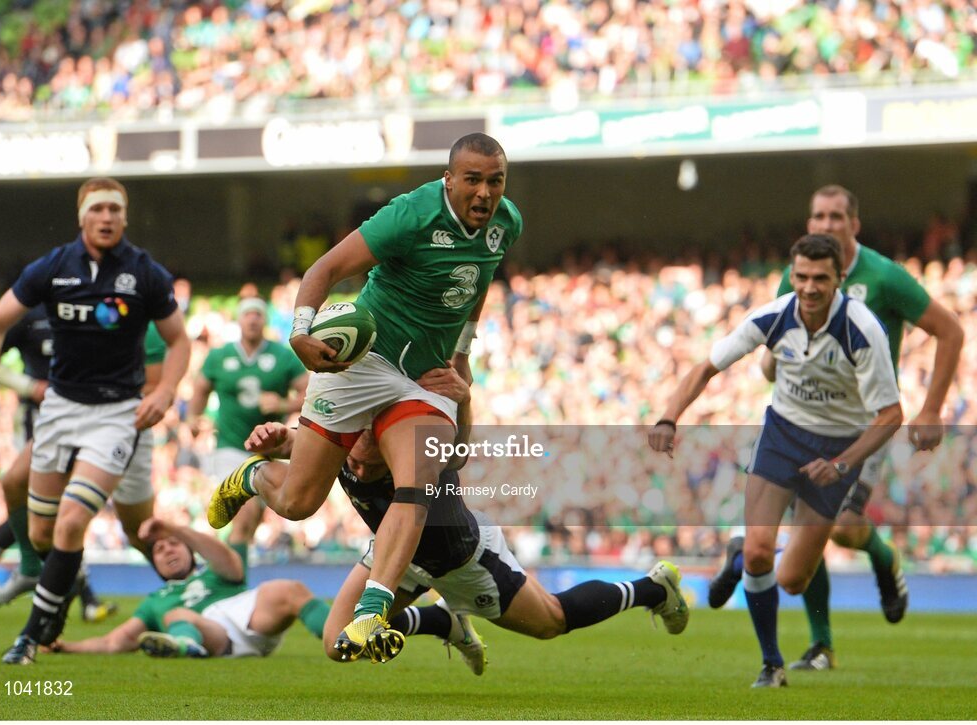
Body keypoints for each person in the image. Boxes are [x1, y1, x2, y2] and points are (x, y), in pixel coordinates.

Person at [207, 133, 523, 663]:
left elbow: (477, 284)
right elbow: (323, 270)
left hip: (426, 375)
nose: (485, 192)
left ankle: (371, 613)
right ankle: (253, 477)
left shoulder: (506, 223)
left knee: (420, 478)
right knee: (298, 503)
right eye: (473, 179)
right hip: (364, 359)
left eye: (495, 181)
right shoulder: (409, 215)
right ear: (449, 179)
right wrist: (301, 333)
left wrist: (463, 357)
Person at [240, 362, 688, 670]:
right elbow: (306, 448)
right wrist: (280, 441)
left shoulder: (416, 447)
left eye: (365, 446)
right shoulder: (343, 435)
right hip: (396, 551)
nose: (353, 459)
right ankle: (441, 621)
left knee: (551, 621)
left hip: (461, 559)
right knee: (337, 644)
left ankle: (652, 588)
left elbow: (456, 455)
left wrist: (466, 404)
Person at [710, 185, 964, 671]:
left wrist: (931, 409)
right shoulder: (797, 277)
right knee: (807, 537)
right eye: (818, 217)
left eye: (836, 217)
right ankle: (819, 641)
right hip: (802, 421)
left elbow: (949, 329)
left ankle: (882, 557)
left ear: (855, 224)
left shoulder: (886, 277)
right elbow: (777, 345)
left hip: (863, 424)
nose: (826, 225)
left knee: (844, 528)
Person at [649, 234, 903, 688]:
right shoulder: (773, 315)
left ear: (840, 278)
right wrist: (669, 417)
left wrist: (843, 464)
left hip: (837, 449)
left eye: (820, 278)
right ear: (793, 274)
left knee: (792, 580)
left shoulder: (862, 329)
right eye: (801, 277)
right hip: (782, 437)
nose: (808, 287)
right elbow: (706, 367)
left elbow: (891, 416)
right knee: (762, 553)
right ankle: (772, 663)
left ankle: (738, 557)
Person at [0, 177, 191, 664]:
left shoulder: (144, 272)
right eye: (98, 209)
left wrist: (166, 392)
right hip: (60, 411)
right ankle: (58, 598)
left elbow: (179, 341)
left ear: (124, 218)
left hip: (117, 413)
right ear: (82, 216)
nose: (106, 218)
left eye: (115, 210)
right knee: (43, 535)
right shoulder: (53, 267)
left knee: (72, 521)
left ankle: (33, 635)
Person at [0, 307, 116, 622]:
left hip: (79, 417)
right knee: (50, 506)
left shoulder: (92, 309)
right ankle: (83, 596)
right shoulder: (31, 314)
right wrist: (29, 387)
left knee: (53, 508)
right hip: (36, 420)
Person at [44, 518, 330, 658]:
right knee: (177, 616)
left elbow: (232, 564)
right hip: (214, 636)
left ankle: (342, 637)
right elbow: (115, 641)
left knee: (290, 589)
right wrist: (66, 647)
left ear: (190, 550)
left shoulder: (215, 572)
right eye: (159, 550)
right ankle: (184, 645)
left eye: (174, 544)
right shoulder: (157, 601)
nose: (168, 550)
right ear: (154, 564)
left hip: (246, 614)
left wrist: (173, 528)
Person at [187, 296, 308, 551]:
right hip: (230, 444)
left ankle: (236, 566)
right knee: (246, 509)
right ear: (239, 320)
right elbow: (200, 389)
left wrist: (284, 405)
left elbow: (310, 392)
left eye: (258, 314)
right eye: (247, 314)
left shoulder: (282, 356)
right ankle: (232, 580)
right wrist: (192, 419)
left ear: (265, 319)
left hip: (269, 449)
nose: (253, 319)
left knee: (253, 519)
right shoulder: (220, 356)